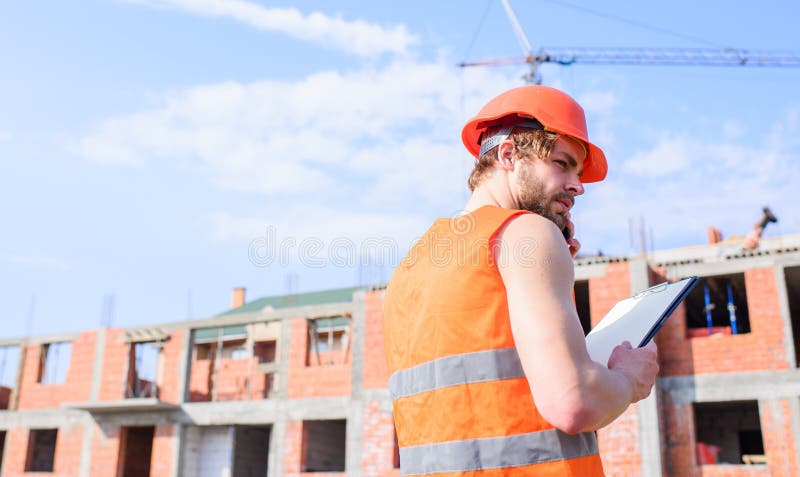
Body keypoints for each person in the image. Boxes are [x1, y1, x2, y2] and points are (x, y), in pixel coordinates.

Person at [382, 85, 659, 476]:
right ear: (509, 155)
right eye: (562, 163)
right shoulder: (526, 233)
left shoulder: (414, 264)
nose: (578, 186)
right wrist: (629, 379)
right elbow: (572, 401)